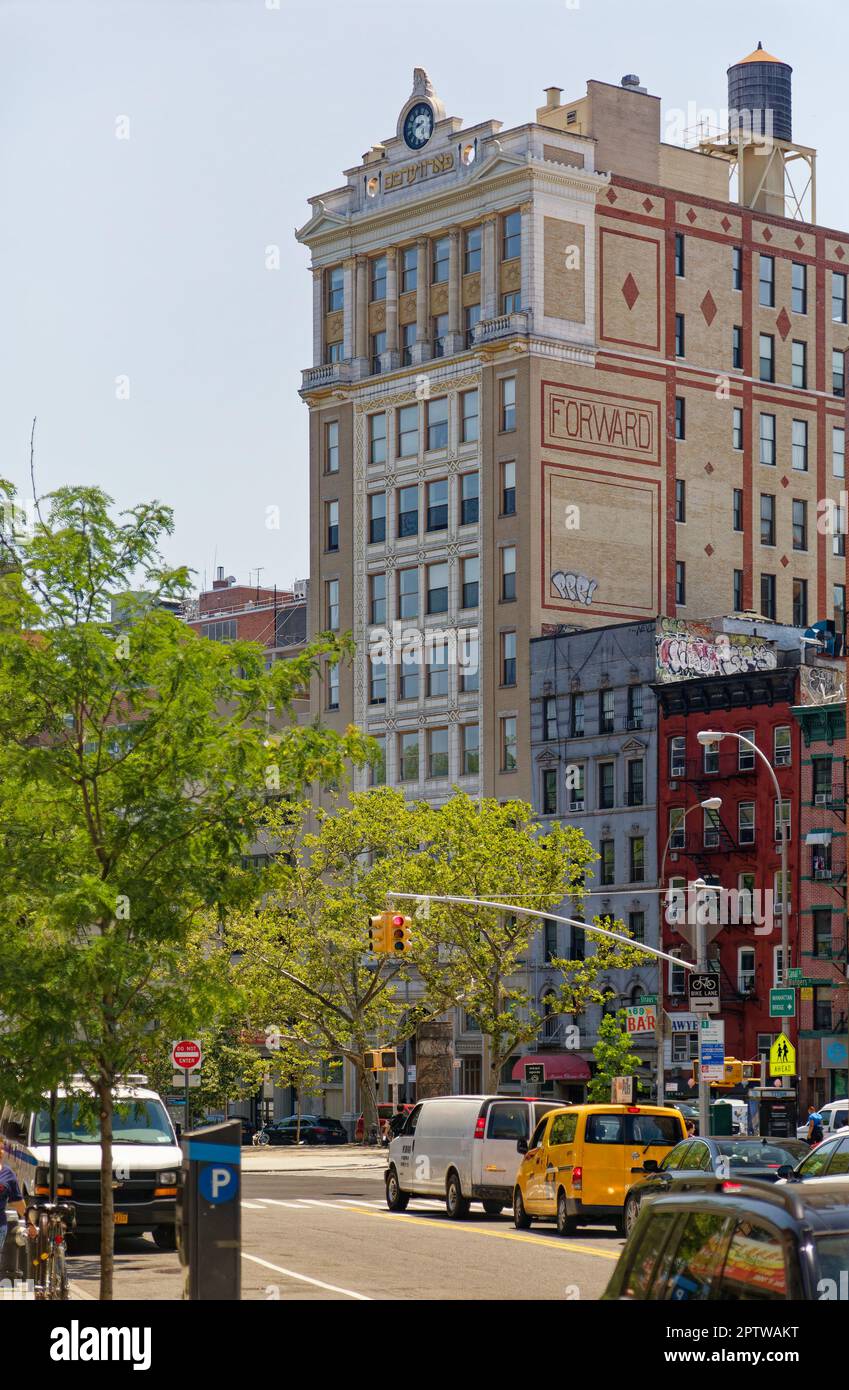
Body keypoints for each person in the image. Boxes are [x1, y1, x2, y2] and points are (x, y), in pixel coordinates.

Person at [0, 1136, 25, 1260]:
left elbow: (18, 1203)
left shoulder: (8, 1174)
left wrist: (30, 1223)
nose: (0, 1152)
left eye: (1, 1148)